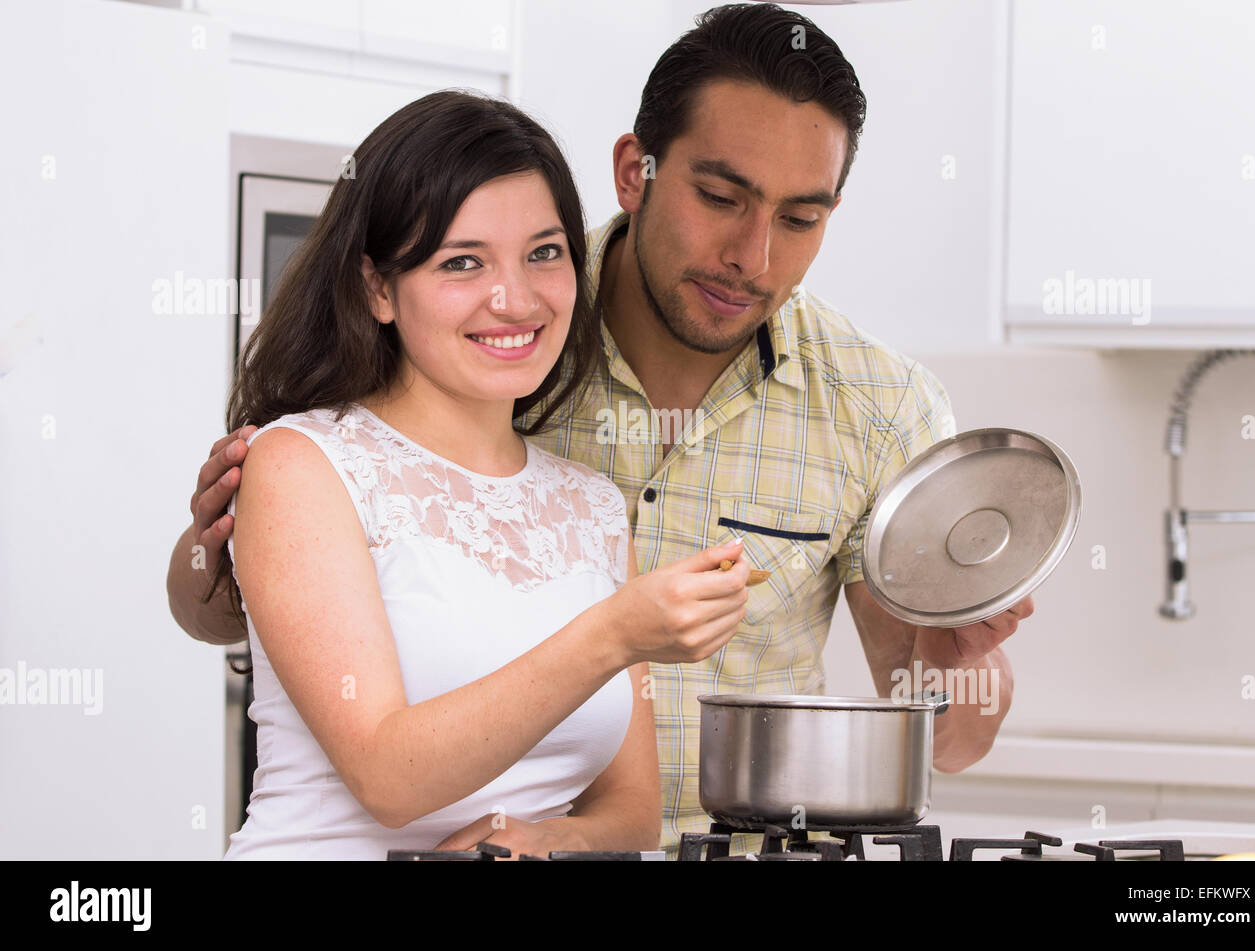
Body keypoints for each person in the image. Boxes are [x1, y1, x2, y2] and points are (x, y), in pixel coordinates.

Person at [168, 3, 1033, 855]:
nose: (754, 256)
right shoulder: (507, 328)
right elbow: (268, 600)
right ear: (636, 171)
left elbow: (946, 739)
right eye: (720, 196)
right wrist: (215, 548)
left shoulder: (875, 408)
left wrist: (961, 653)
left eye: (800, 219)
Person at [205, 89, 756, 859]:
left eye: (544, 252)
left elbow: (631, 812)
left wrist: (536, 838)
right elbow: (387, 777)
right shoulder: (303, 463)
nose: (517, 299)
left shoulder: (592, 504)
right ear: (377, 288)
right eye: (463, 262)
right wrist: (613, 633)